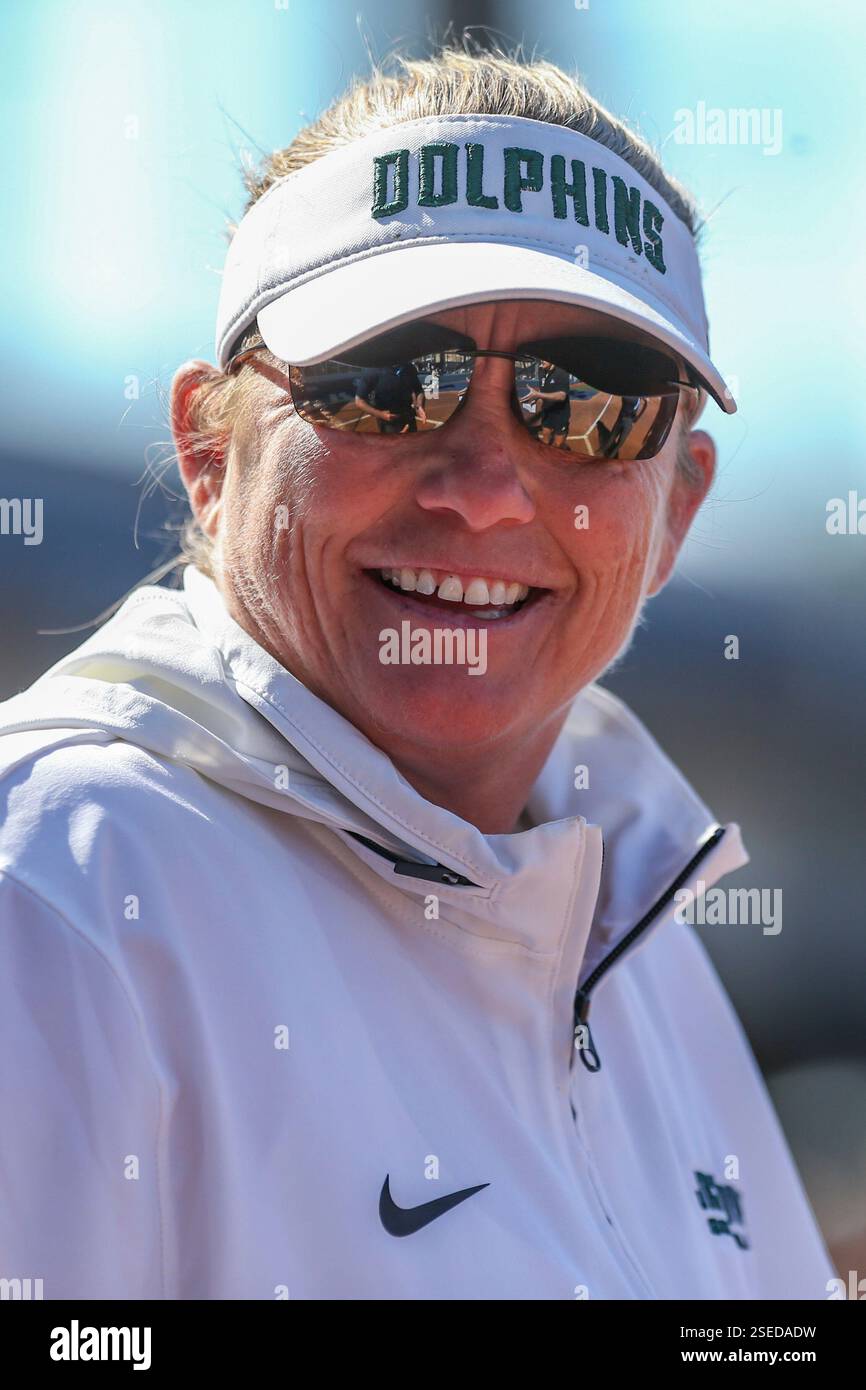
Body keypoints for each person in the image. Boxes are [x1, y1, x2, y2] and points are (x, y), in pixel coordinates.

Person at [0, 45, 835, 1300]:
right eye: (389, 385)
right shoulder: (59, 890)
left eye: (590, 406)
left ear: (675, 512)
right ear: (208, 451)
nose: (488, 491)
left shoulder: (637, 935)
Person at [522, 359, 572, 447]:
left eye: (544, 358)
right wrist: (536, 398)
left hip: (560, 414)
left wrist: (538, 394)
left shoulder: (562, 372)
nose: (541, 361)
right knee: (545, 437)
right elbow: (543, 390)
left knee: (558, 444)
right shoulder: (541, 371)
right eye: (540, 359)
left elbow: (562, 396)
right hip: (547, 411)